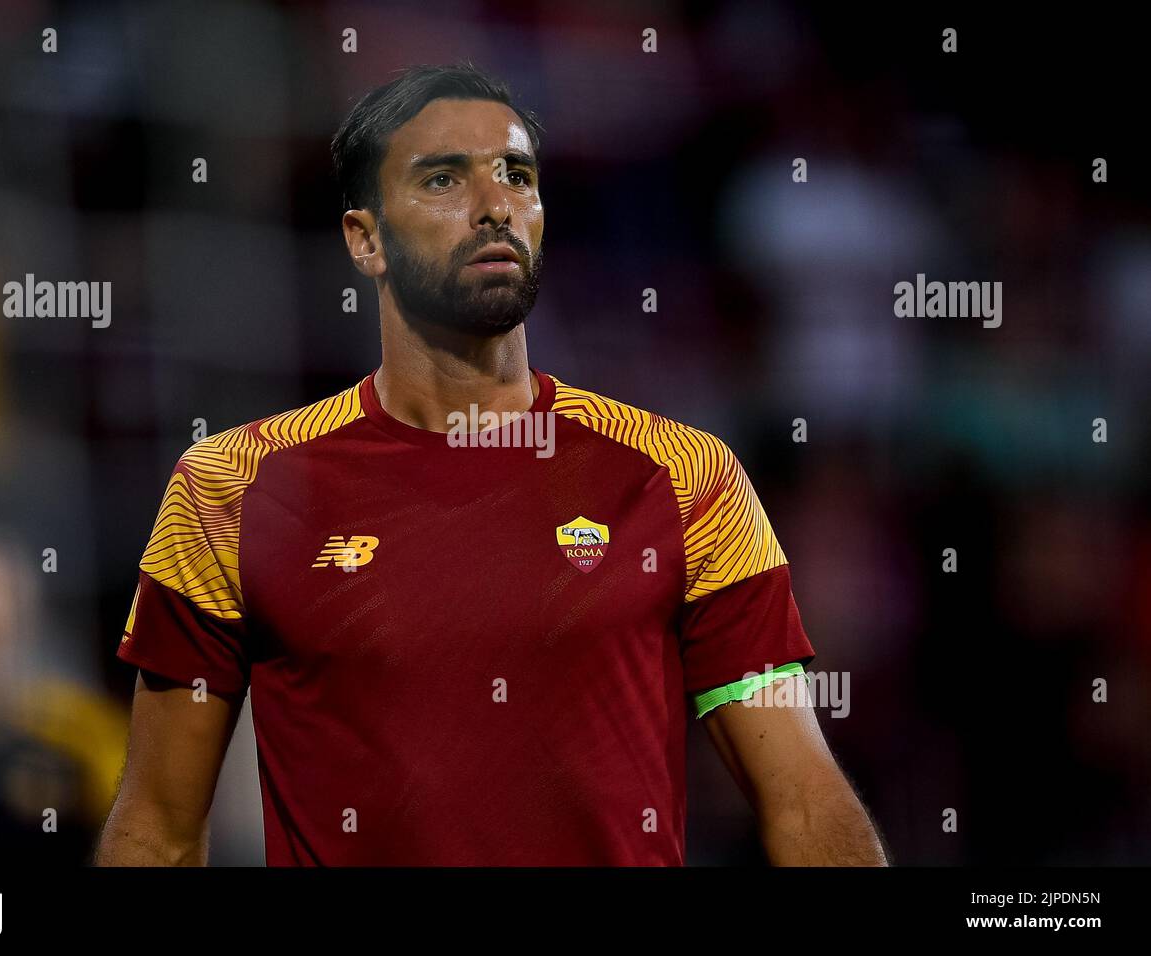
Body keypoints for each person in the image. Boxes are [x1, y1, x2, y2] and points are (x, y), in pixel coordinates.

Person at [97, 63, 888, 866]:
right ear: (365, 240)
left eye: (517, 175)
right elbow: (158, 831)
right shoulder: (230, 487)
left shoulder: (684, 475)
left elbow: (804, 799)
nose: (494, 204)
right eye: (443, 179)